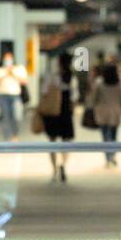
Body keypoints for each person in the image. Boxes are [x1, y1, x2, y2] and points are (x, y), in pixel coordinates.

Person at [86, 62, 121, 167]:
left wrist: (91, 106)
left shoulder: (99, 83)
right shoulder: (119, 83)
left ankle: (108, 158)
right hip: (115, 113)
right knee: (113, 136)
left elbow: (93, 98)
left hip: (102, 113)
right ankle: (112, 155)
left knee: (105, 137)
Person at [40, 53, 76, 182]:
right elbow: (74, 97)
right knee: (66, 142)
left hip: (52, 112)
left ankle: (54, 169)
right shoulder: (71, 77)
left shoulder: (52, 76)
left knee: (52, 141)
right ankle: (63, 165)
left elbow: (44, 91)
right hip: (66, 111)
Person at [0, 50, 28, 141]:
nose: (8, 61)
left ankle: (15, 135)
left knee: (15, 116)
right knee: (5, 117)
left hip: (15, 96)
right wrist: (6, 73)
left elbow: (24, 81)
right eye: (6, 59)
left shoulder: (19, 68)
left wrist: (13, 73)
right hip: (3, 96)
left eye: (9, 59)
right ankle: (7, 137)